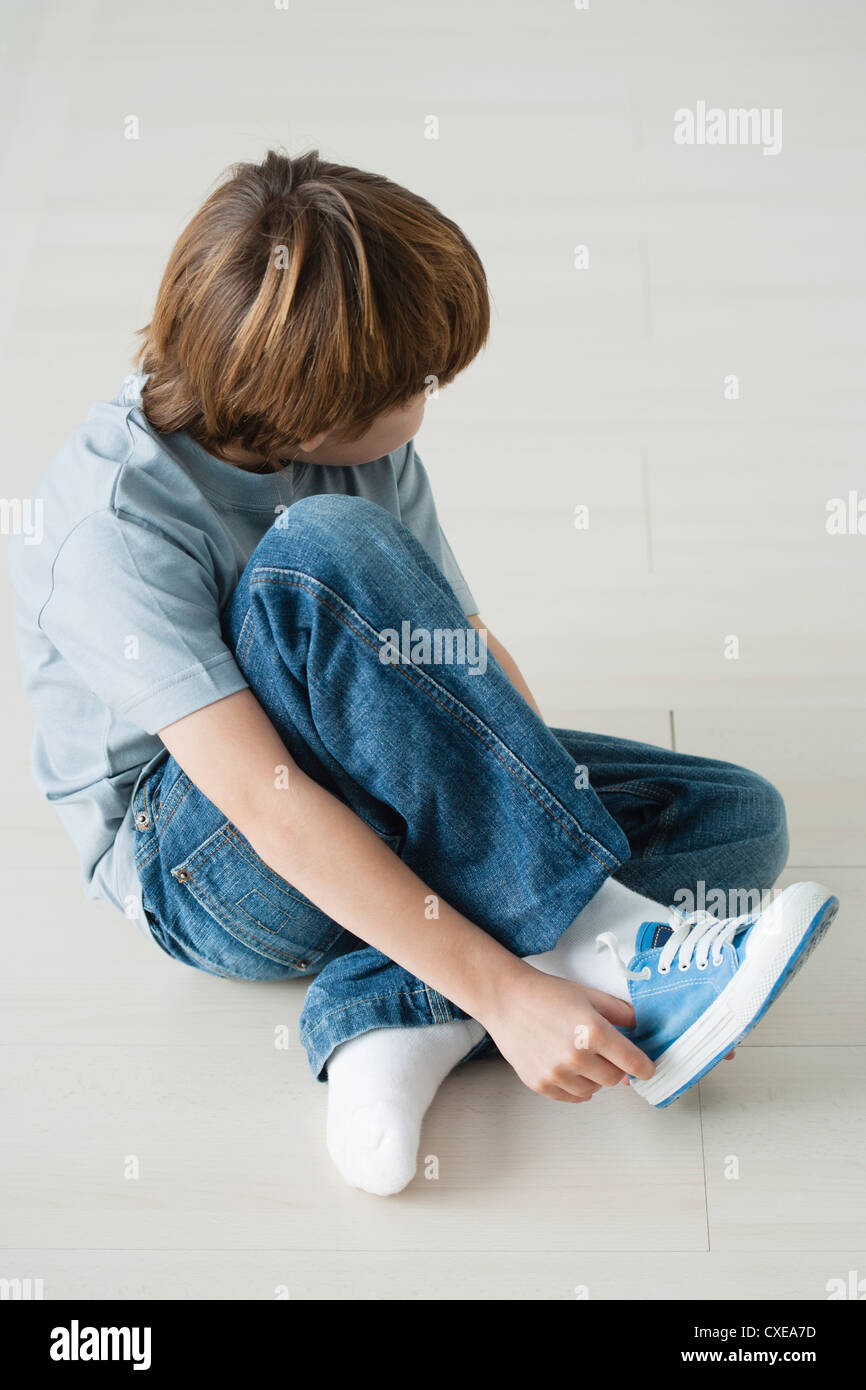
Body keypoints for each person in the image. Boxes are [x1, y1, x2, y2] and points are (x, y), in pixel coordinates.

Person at [8, 150, 837, 1197]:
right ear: (314, 413)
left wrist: (549, 824)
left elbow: (466, 653)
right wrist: (505, 987)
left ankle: (384, 1016)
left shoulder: (350, 442)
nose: (431, 397)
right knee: (321, 556)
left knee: (734, 822)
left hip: (352, 775)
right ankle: (575, 945)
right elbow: (267, 810)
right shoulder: (111, 523)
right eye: (417, 385)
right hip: (210, 861)